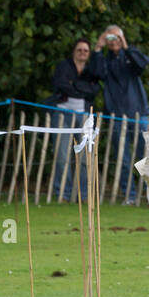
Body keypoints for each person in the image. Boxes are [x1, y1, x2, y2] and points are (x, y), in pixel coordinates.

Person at [93, 25, 149, 203]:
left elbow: (142, 64)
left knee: (145, 155)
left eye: (116, 38)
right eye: (110, 38)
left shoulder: (130, 57)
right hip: (116, 115)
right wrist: (98, 47)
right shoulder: (105, 60)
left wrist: (125, 44)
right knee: (122, 158)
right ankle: (130, 196)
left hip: (138, 112)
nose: (113, 42)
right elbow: (95, 74)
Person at [47, 37, 101, 202]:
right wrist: (81, 88)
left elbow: (94, 89)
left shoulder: (91, 70)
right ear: (74, 52)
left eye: (85, 50)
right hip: (63, 113)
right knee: (62, 155)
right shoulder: (64, 66)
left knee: (85, 155)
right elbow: (61, 84)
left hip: (84, 114)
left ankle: (84, 195)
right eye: (79, 50)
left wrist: (75, 85)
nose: (82, 53)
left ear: (89, 53)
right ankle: (63, 193)